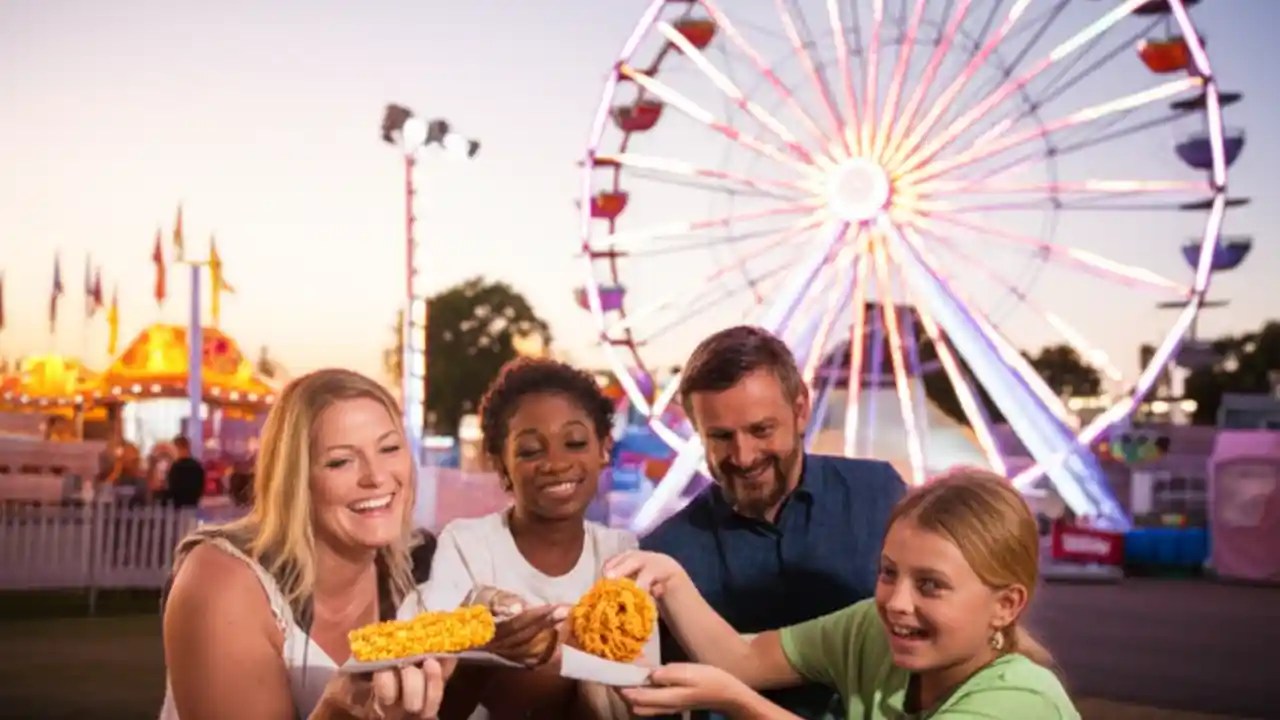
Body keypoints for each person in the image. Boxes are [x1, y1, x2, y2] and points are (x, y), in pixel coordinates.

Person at [610, 468, 1080, 719]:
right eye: (889, 572)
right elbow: (743, 658)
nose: (897, 602)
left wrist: (738, 702)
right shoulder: (871, 630)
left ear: (1006, 606)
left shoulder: (1024, 700)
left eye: (931, 585)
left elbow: (737, 683)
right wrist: (668, 578)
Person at [641, 325, 906, 718]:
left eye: (761, 430)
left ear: (801, 410)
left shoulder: (880, 496)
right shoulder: (667, 552)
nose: (744, 456)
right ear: (697, 432)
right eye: (721, 437)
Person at [160, 368, 449, 719]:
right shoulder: (221, 581)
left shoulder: (418, 567)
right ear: (295, 480)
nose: (376, 477)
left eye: (389, 448)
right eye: (341, 461)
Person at [415, 357, 659, 720]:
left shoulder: (622, 554)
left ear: (604, 449)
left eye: (574, 442)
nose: (556, 463)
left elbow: (643, 696)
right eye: (530, 450)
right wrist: (485, 656)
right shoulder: (467, 545)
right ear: (500, 464)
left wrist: (552, 654)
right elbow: (439, 699)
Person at [166, 435, 206, 508]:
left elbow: (171, 488)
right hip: (193, 506)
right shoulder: (197, 465)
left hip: (178, 508)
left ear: (177, 448)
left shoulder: (175, 467)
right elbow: (200, 487)